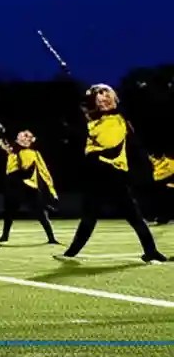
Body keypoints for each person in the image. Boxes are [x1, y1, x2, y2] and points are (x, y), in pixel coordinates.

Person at [56, 85, 166, 263]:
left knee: (132, 216)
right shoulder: (94, 122)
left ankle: (151, 251)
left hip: (112, 173)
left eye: (107, 96)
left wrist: (90, 131)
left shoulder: (117, 120)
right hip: (97, 174)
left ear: (114, 99)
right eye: (99, 98)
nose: (103, 99)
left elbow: (108, 145)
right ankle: (70, 253)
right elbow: (81, 141)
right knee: (90, 217)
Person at [0, 130, 58, 245]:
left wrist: (51, 189)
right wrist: (0, 134)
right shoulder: (12, 150)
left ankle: (51, 238)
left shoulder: (34, 153)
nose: (22, 138)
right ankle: (4, 236)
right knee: (9, 211)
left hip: (28, 184)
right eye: (20, 136)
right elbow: (2, 143)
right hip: (14, 183)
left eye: (25, 137)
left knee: (41, 213)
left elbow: (44, 171)